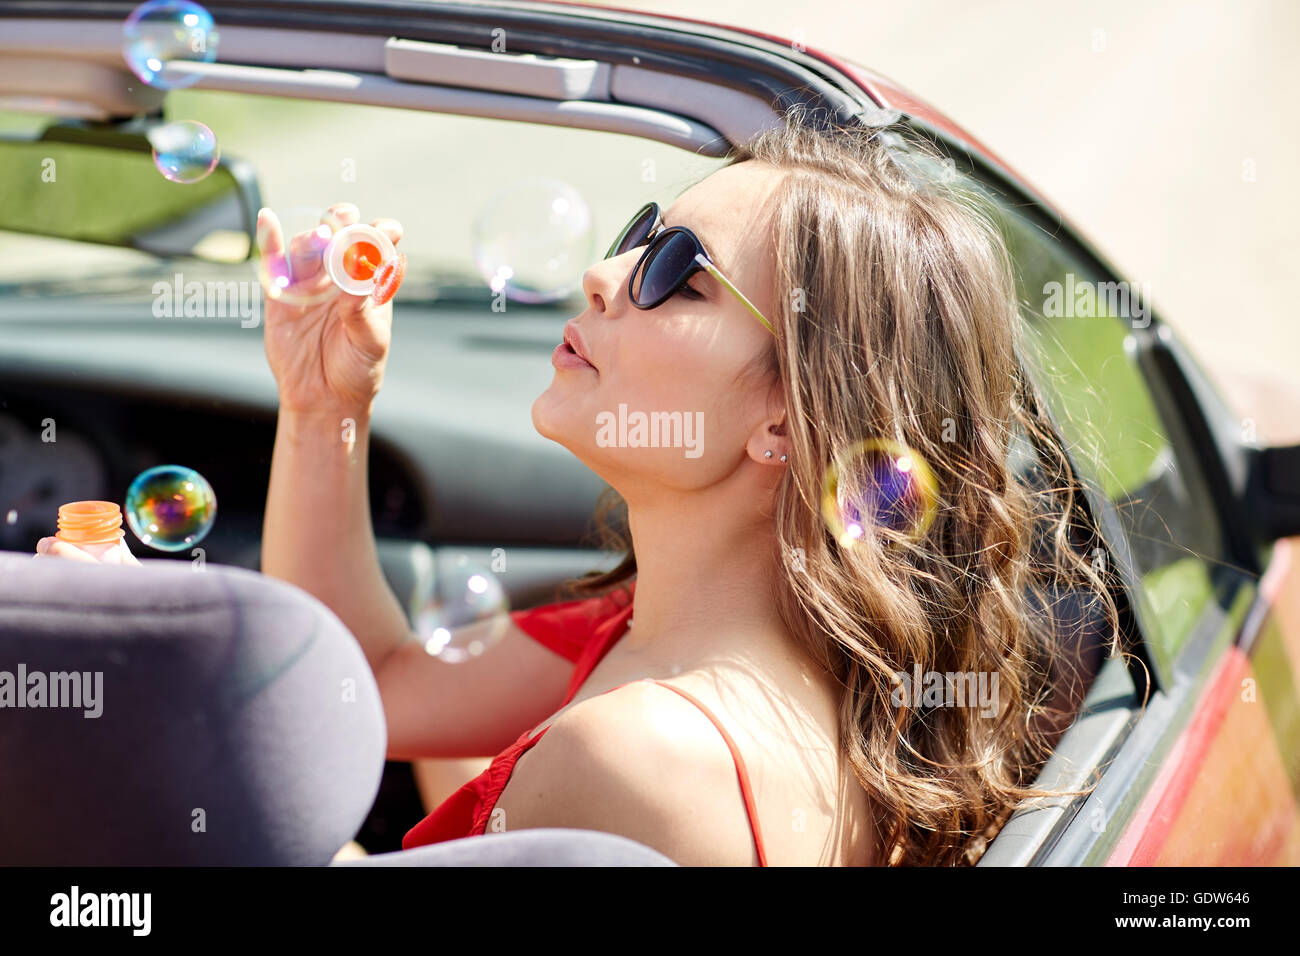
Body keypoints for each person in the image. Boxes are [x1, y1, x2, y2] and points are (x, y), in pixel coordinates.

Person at [39, 103, 1119, 866]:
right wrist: (326, 404)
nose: (605, 273)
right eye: (636, 237)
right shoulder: (687, 645)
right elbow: (367, 676)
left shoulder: (638, 756)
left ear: (790, 421)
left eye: (675, 274)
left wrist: (129, 716)